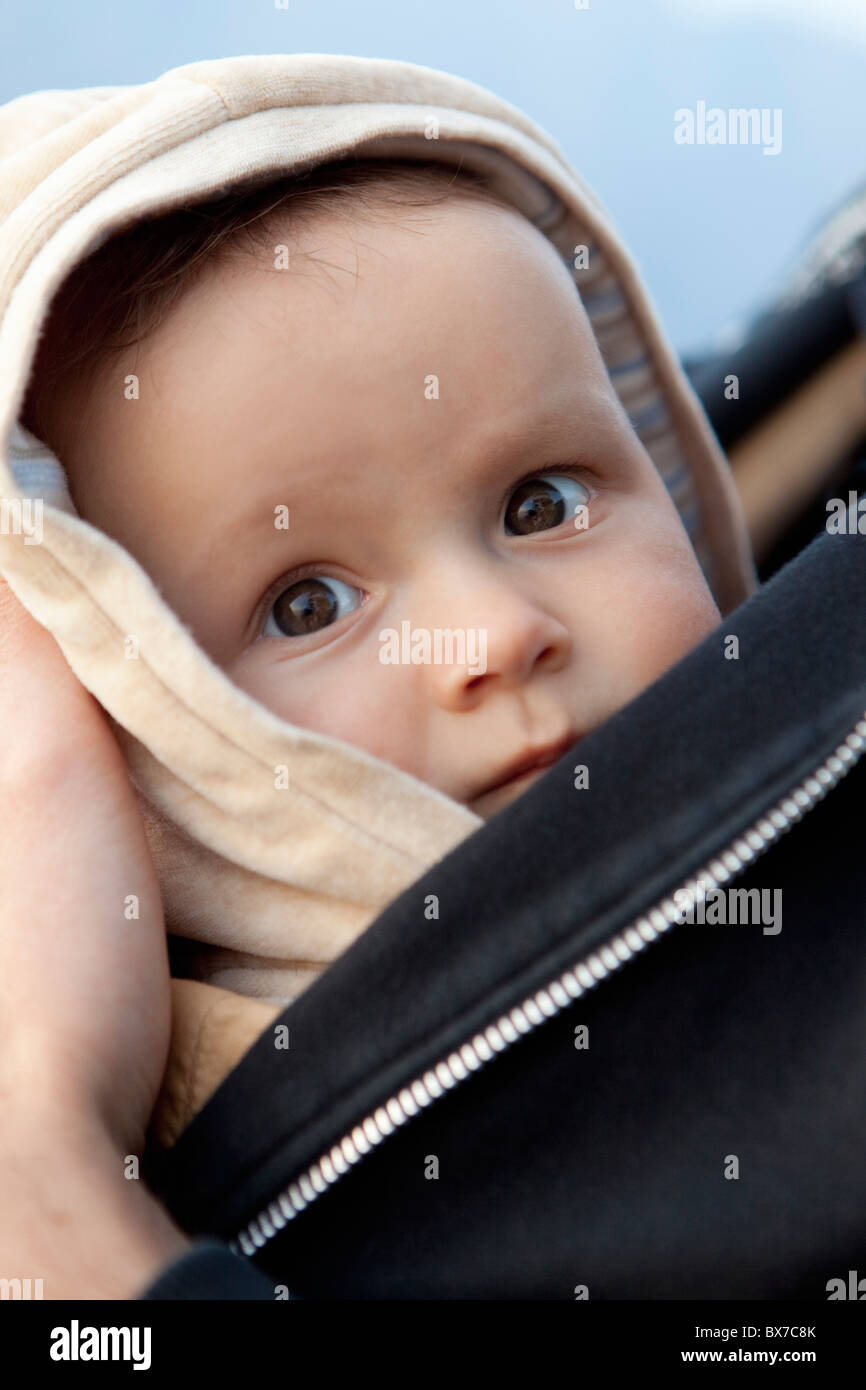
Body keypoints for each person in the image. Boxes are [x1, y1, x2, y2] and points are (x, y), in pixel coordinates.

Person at [0, 53, 763, 1298]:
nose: (493, 638)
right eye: (307, 604)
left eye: (542, 501)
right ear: (139, 749)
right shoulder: (249, 1150)